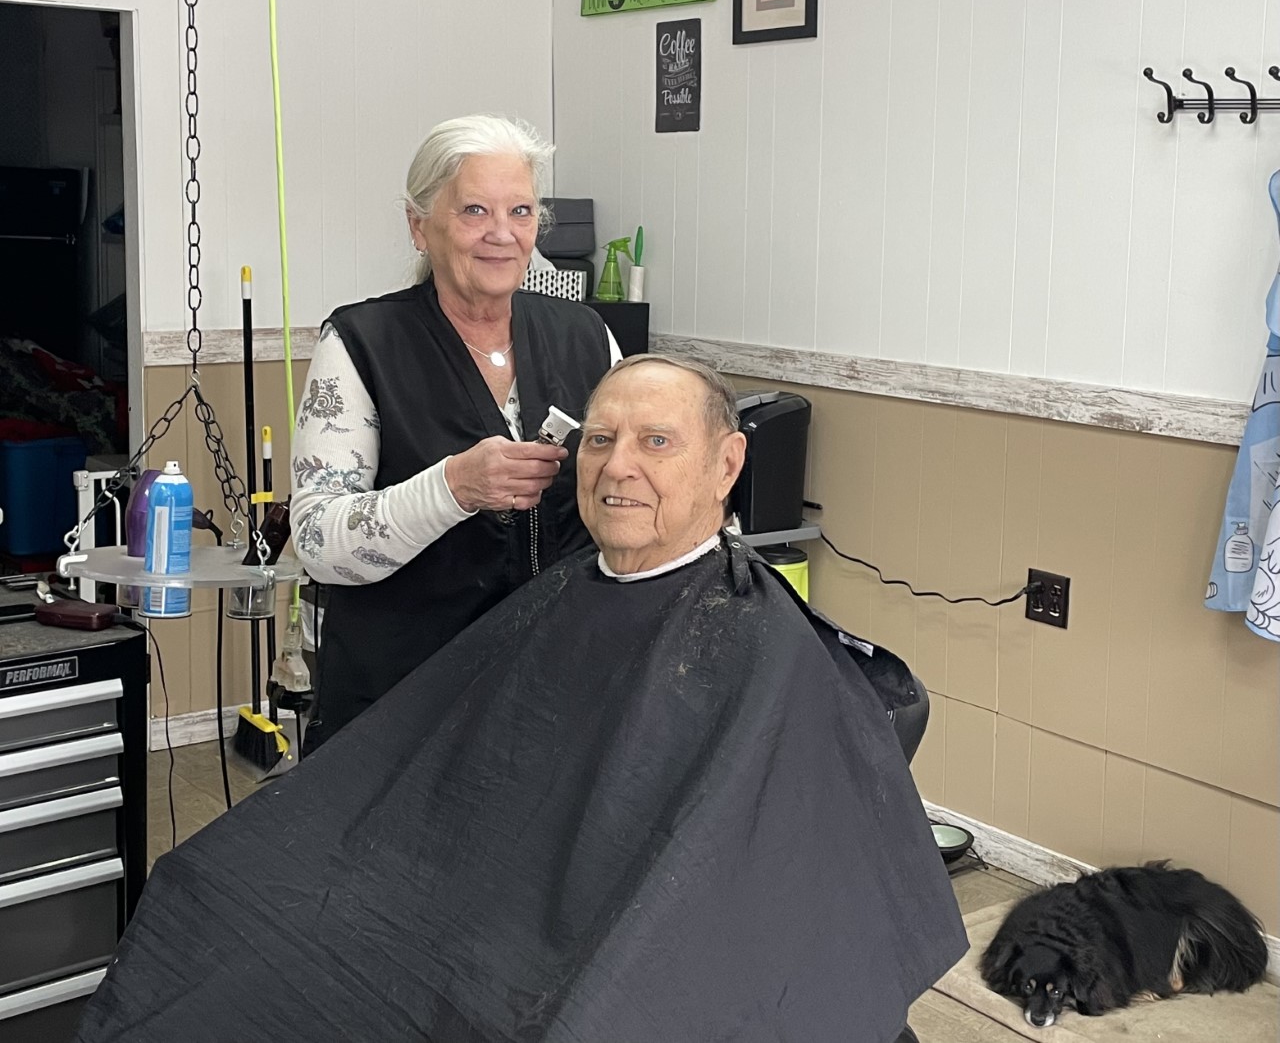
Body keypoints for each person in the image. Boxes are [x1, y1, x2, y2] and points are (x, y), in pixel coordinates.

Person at [80, 354, 965, 1043]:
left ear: (728, 463)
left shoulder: (763, 651)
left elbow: (716, 902)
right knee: (213, 893)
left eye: (657, 442)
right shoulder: (568, 597)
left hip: (609, 955)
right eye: (601, 439)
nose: (618, 469)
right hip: (470, 914)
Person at [290, 113, 619, 746]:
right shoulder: (362, 344)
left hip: (554, 688)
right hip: (403, 695)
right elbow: (317, 542)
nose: (502, 235)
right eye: (474, 211)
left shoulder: (586, 337)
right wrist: (454, 488)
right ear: (420, 227)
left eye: (521, 212)